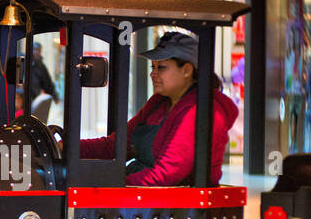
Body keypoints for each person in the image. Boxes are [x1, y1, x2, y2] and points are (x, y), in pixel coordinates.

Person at [80, 30, 238, 187]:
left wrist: (114, 186)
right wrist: (70, 147)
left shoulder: (199, 111)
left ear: (187, 70)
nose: (153, 74)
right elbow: (117, 145)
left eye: (161, 67)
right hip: (146, 194)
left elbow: (167, 173)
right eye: (152, 67)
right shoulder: (159, 103)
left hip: (176, 205)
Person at [25, 43, 59, 109]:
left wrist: (55, 96)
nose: (36, 52)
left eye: (38, 50)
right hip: (23, 98)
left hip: (34, 99)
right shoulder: (24, 62)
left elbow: (47, 83)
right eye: (34, 50)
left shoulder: (41, 66)